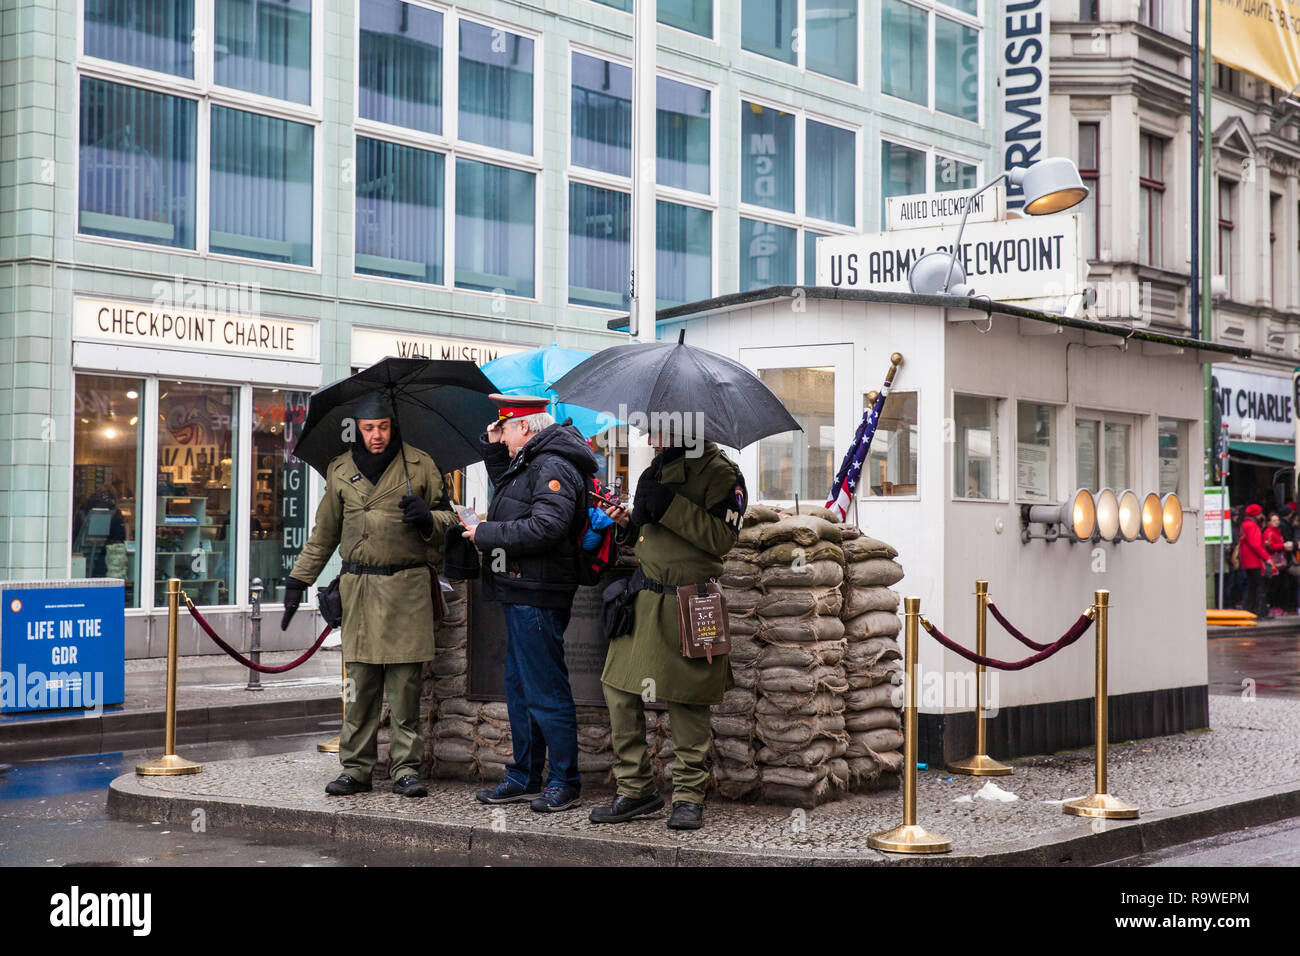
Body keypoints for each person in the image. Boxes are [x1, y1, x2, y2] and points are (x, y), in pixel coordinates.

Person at [281, 393, 457, 798]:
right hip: (359, 589)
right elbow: (324, 533)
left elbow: (452, 519)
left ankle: (406, 768)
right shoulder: (340, 469)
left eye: (382, 427)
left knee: (406, 688)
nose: (376, 436)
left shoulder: (421, 465)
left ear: (393, 426)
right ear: (357, 429)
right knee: (358, 687)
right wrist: (297, 581)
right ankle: (356, 769)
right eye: (368, 428)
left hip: (407, 589)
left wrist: (428, 518)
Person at [591, 430, 746, 831]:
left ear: (687, 425)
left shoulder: (722, 473)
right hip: (645, 597)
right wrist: (627, 524)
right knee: (619, 688)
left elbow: (722, 539)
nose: (651, 436)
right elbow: (647, 537)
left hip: (692, 602)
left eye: (660, 427)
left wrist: (669, 505)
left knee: (687, 700)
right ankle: (636, 789)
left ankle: (689, 796)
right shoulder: (657, 468)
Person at [465, 395, 599, 813]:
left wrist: (485, 534)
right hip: (522, 589)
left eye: (505, 429)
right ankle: (524, 775)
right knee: (522, 690)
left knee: (546, 691)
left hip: (538, 593)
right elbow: (513, 492)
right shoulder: (534, 461)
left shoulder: (552, 465)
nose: (502, 437)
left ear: (524, 427)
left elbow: (546, 526)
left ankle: (564, 781)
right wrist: (492, 446)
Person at [1239, 503, 1270, 618]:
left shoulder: (1245, 524)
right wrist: (1267, 558)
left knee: (1252, 586)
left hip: (1247, 561)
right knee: (1259, 586)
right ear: (1257, 514)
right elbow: (1256, 545)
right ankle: (1260, 611)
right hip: (1254, 561)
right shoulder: (1252, 526)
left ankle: (1249, 610)